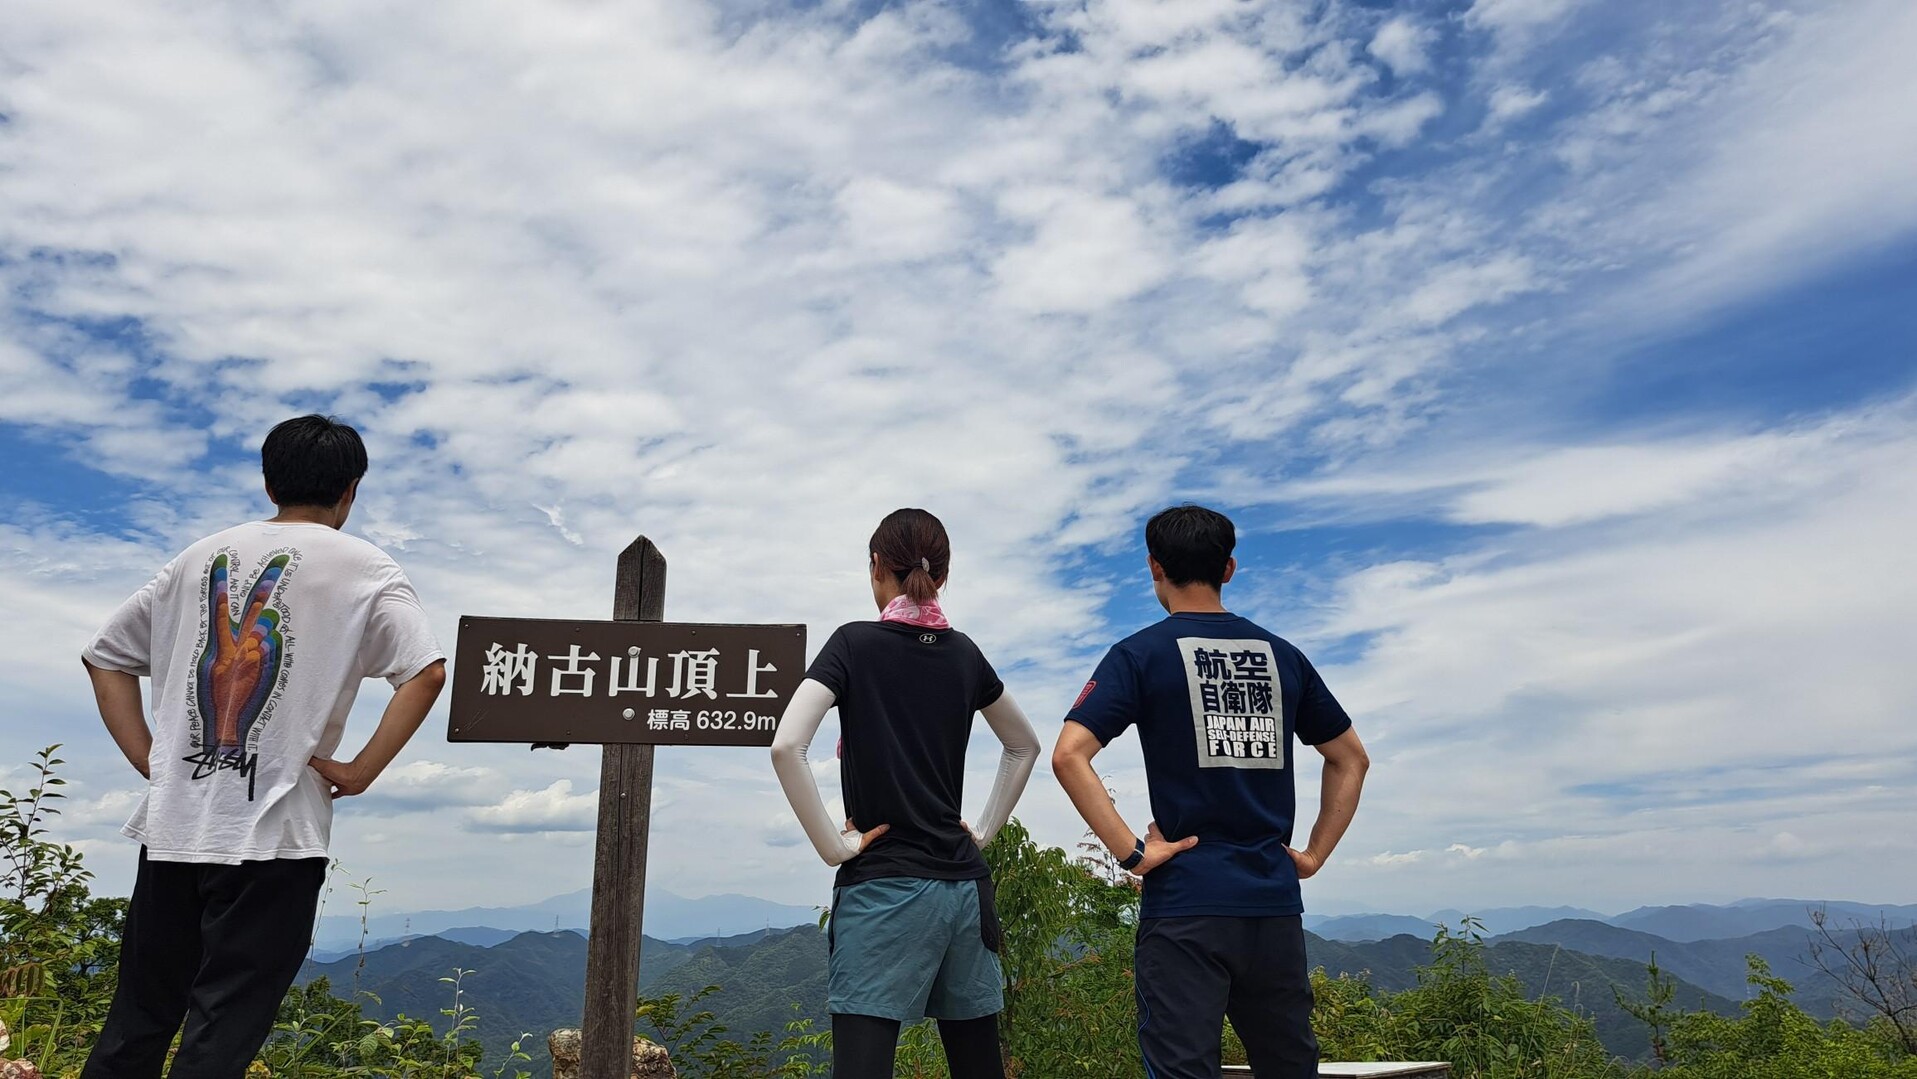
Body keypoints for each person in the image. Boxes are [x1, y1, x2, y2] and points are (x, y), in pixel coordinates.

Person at [80, 414, 448, 1079]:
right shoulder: (367, 567)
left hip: (173, 829)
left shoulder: (196, 556)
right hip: (277, 836)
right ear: (351, 490)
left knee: (138, 1017)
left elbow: (105, 656)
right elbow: (424, 672)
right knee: (224, 1028)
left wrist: (152, 758)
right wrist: (361, 770)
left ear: (268, 480)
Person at [1052, 504, 1370, 1079]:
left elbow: (1069, 754)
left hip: (1186, 905)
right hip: (1272, 904)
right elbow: (1349, 758)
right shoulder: (1283, 657)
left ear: (1154, 567)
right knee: (1289, 1066)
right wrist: (1314, 854)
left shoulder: (1139, 655)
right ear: (1229, 568)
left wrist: (1133, 852)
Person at [771, 508, 1041, 1079]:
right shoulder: (964, 653)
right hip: (965, 890)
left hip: (883, 888)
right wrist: (984, 830)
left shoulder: (852, 644)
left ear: (876, 566)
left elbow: (786, 746)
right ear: (941, 576)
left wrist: (834, 847)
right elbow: (1023, 747)